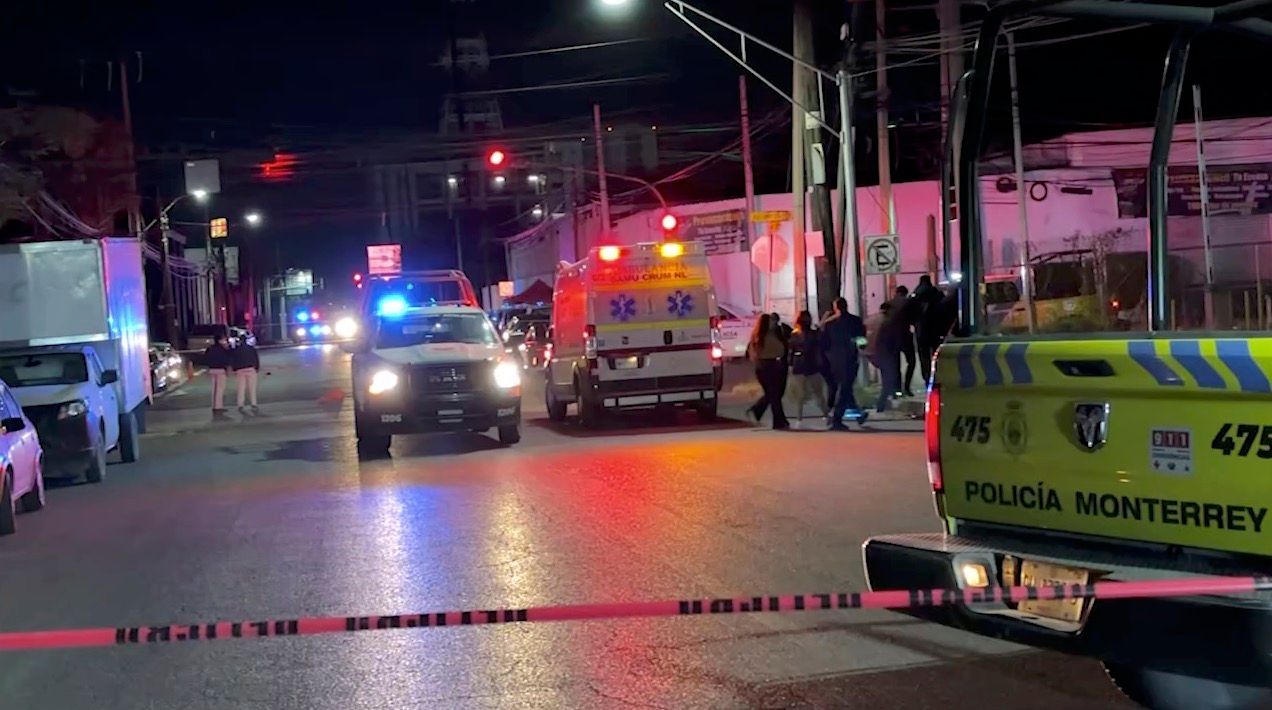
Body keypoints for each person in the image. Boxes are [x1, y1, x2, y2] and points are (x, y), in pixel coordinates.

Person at [820, 297, 867, 430]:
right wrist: (861, 346)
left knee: (845, 387)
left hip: (834, 359)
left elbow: (824, 343)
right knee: (845, 388)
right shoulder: (855, 321)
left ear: (835, 308)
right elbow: (861, 339)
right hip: (850, 358)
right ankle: (836, 418)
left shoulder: (829, 323)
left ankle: (858, 414)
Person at [746, 314, 790, 430]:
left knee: (773, 395)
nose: (773, 323)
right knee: (774, 395)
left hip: (766, 366)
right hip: (769, 366)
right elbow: (779, 349)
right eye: (770, 321)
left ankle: (764, 413)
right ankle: (777, 420)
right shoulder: (765, 336)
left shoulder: (762, 335)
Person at [786, 311, 828, 422]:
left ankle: (801, 418)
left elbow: (791, 350)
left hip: (805, 364)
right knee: (809, 393)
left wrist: (791, 363)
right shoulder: (807, 334)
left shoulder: (798, 334)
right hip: (806, 364)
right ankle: (802, 418)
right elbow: (792, 350)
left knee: (809, 393)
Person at [911, 275, 946, 385]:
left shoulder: (915, 294)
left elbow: (910, 312)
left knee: (924, 356)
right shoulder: (936, 293)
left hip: (921, 330)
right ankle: (937, 375)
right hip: (936, 329)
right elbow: (943, 309)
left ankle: (926, 377)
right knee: (936, 354)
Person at [894, 285, 918, 397]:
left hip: (893, 337)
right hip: (905, 335)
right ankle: (907, 387)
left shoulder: (890, 303)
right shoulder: (909, 303)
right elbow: (914, 318)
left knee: (895, 364)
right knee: (911, 362)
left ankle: (897, 389)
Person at [203, 333, 232, 417]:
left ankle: (214, 406)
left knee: (214, 389)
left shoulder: (210, 348)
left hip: (212, 369)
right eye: (223, 339)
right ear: (219, 340)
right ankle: (218, 407)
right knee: (220, 389)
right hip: (221, 369)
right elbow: (227, 358)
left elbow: (205, 358)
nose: (224, 341)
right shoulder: (223, 349)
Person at [231, 337, 261, 414]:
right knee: (252, 388)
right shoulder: (251, 348)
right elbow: (256, 358)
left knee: (241, 388)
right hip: (250, 369)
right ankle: (253, 404)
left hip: (240, 370)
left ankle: (240, 404)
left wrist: (234, 369)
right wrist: (257, 368)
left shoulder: (236, 350)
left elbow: (233, 360)